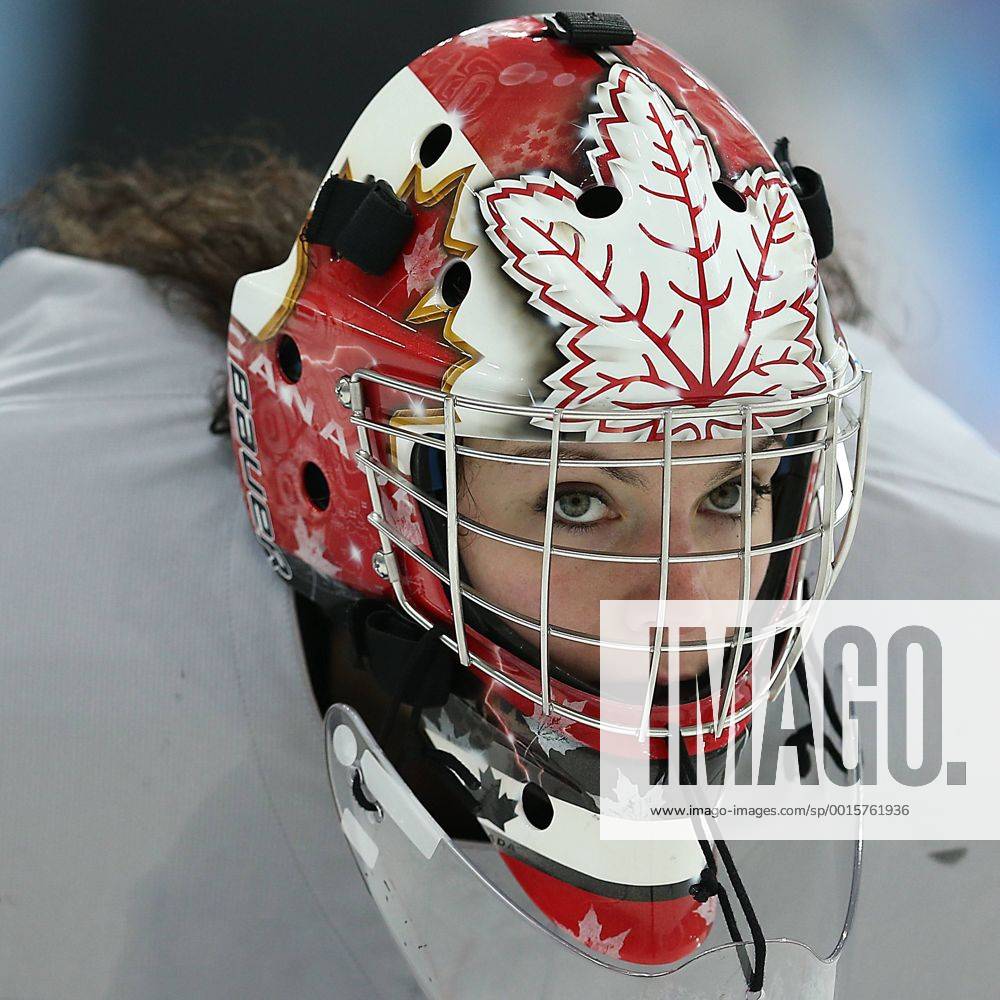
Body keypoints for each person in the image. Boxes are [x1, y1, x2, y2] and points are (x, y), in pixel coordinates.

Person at [1, 13, 998, 1000]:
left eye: (732, 491)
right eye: (577, 500)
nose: (685, 603)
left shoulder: (949, 608)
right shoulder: (50, 599)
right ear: (353, 481)